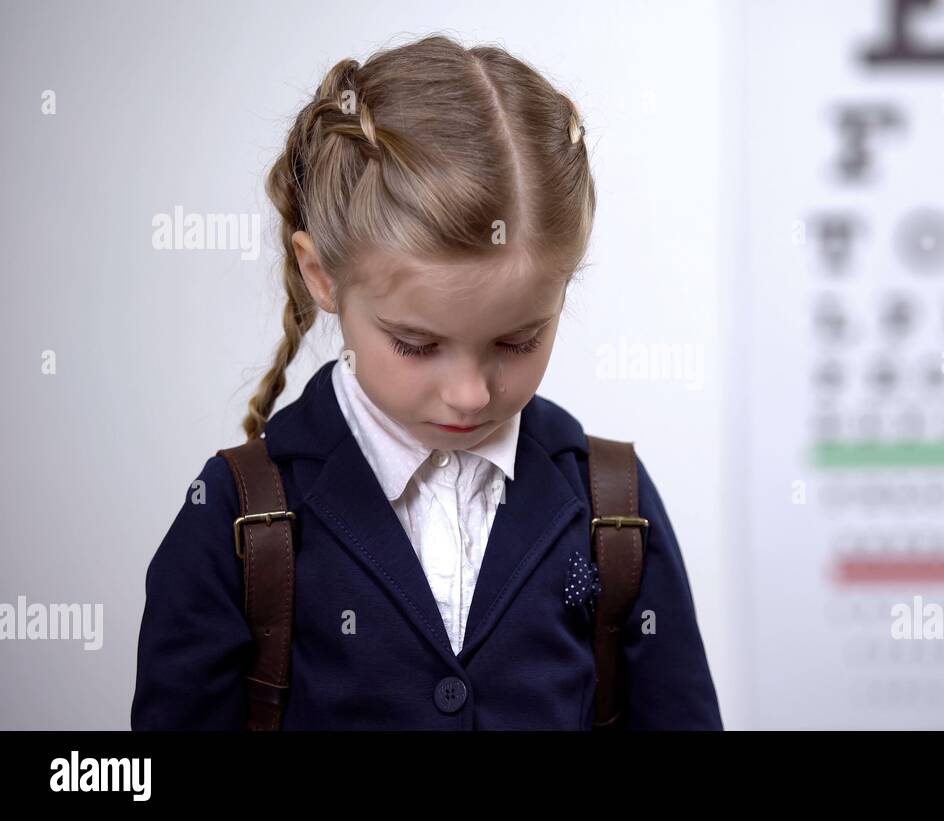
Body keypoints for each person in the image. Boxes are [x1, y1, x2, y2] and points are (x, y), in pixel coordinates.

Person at [130, 33, 723, 730]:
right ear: (322, 275)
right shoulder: (234, 521)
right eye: (416, 344)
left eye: (519, 340)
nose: (471, 393)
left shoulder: (614, 504)